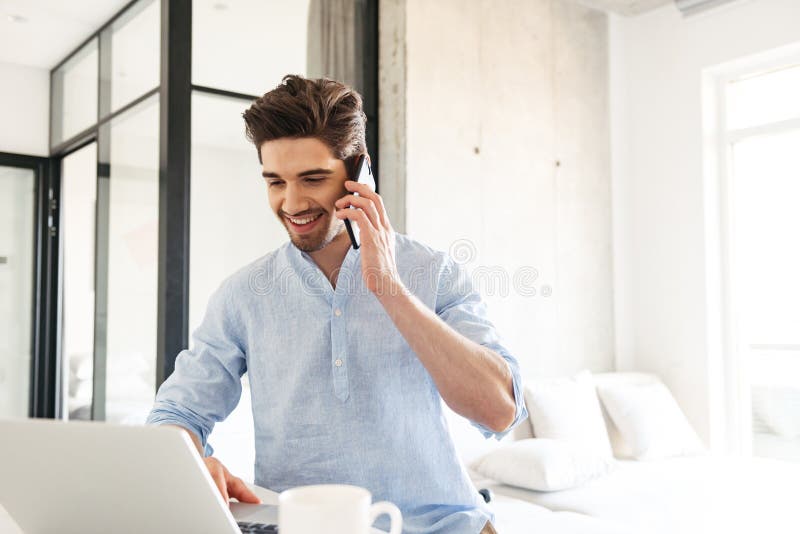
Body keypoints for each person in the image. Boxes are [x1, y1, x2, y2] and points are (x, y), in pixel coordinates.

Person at [146, 74, 527, 534]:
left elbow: (500, 411)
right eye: (275, 182)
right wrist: (192, 461)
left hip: (441, 526)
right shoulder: (242, 295)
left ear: (358, 175)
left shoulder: (434, 272)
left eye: (312, 178)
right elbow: (177, 414)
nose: (291, 202)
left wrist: (388, 287)